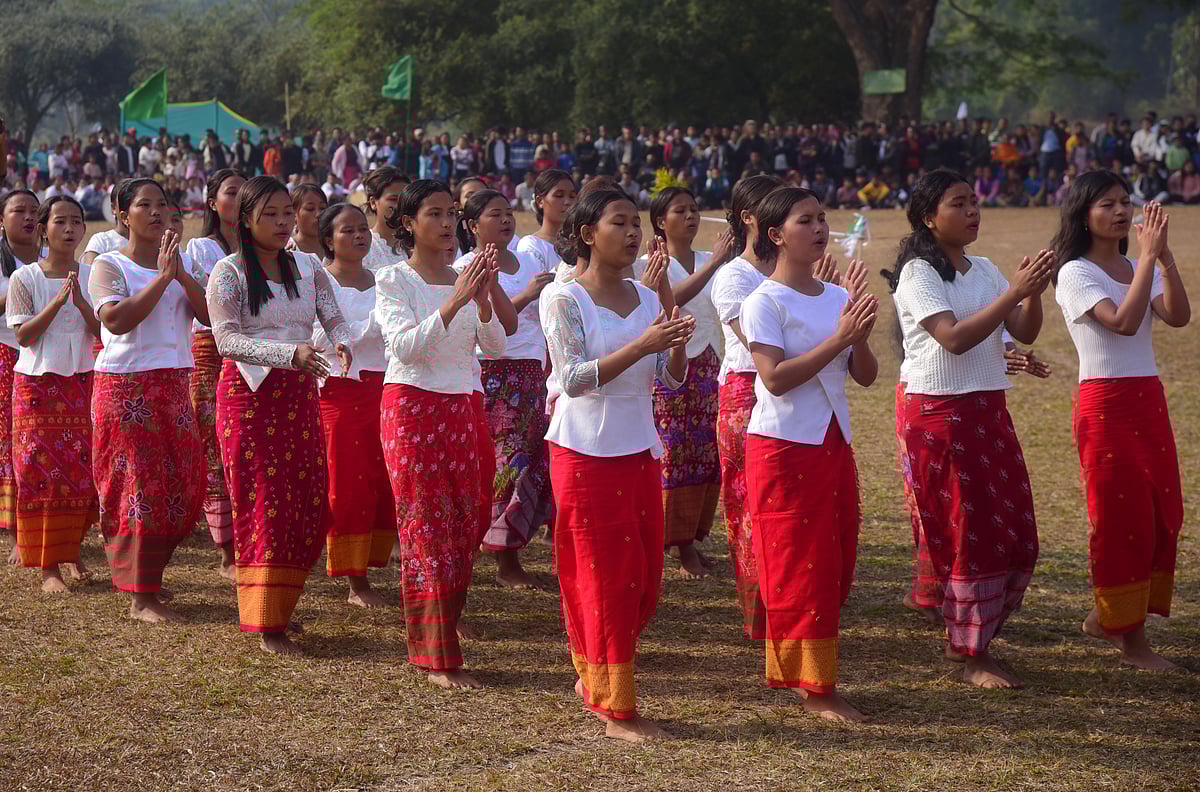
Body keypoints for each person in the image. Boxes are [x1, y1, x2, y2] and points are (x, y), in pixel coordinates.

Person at [887, 169, 1051, 688]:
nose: (973, 211)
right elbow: (953, 338)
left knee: (1013, 526)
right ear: (928, 218)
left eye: (974, 202)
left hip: (988, 409)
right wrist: (1014, 292)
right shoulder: (918, 273)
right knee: (967, 533)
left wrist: (1032, 293)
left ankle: (976, 632)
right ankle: (970, 653)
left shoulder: (984, 269)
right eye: (958, 204)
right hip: (941, 415)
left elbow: (1022, 328)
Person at [543, 185, 693, 742]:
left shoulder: (647, 298)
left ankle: (595, 673)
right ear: (588, 234)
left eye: (636, 224)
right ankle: (614, 707)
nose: (633, 233)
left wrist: (674, 339)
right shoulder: (563, 298)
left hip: (638, 447)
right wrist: (643, 345)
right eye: (620, 223)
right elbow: (573, 379)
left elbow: (670, 379)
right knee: (602, 579)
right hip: (585, 451)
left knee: (642, 577)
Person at [741, 187, 878, 722]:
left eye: (822, 218)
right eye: (806, 220)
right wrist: (839, 339)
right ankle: (815, 686)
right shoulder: (764, 301)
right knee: (801, 565)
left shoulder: (836, 296)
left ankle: (809, 670)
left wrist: (858, 336)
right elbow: (774, 379)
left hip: (831, 441)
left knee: (834, 556)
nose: (820, 228)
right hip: (783, 446)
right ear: (776, 235)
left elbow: (864, 375)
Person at [1049, 175, 1190, 671]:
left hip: (1147, 398)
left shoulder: (1137, 264)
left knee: (1162, 512)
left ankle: (1108, 616)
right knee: (1119, 519)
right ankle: (1133, 644)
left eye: (1125, 202)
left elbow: (1178, 316)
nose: (1121, 211)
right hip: (1105, 403)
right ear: (1083, 214)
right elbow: (1123, 322)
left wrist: (1163, 258)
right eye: (1107, 203)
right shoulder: (1074, 272)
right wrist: (1148, 260)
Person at [206, 176, 352, 654]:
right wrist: (289, 353)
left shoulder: (307, 265)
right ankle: (266, 622)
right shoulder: (228, 272)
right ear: (245, 219)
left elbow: (331, 313)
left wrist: (341, 340)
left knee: (304, 500)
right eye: (269, 213)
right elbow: (226, 340)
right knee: (264, 504)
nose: (283, 221)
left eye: (287, 211)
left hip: (299, 393)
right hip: (249, 399)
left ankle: (281, 606)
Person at [375, 180, 506, 689]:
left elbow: (494, 346)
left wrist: (483, 297)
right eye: (435, 214)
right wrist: (455, 301)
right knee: (426, 525)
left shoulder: (463, 277)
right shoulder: (393, 279)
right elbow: (405, 348)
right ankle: (435, 655)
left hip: (461, 405)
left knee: (465, 519)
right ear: (408, 224)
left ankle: (447, 623)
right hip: (412, 407)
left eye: (451, 213)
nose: (448, 223)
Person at [89, 178, 209, 623]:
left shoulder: (180, 263)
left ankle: (148, 576)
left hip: (174, 383)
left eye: (163, 203)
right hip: (126, 387)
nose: (157, 212)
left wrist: (179, 275)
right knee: (136, 489)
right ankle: (141, 596)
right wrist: (162, 278)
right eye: (145, 205)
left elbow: (210, 316)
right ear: (123, 216)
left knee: (180, 483)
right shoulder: (108, 264)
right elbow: (117, 321)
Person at [455, 189, 555, 587]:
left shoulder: (530, 260)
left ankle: (508, 543)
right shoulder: (465, 266)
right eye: (495, 214)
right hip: (491, 371)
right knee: (506, 464)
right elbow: (479, 323)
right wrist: (525, 293)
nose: (505, 220)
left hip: (531, 370)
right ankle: (503, 556)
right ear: (472, 225)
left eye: (508, 212)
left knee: (530, 459)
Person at [7, 195, 101, 592]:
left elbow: (104, 331)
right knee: (40, 472)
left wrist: (80, 303)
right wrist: (59, 302)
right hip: (37, 386)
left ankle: (73, 552)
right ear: (44, 229)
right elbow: (23, 335)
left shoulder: (93, 275)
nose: (69, 229)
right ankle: (48, 567)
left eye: (76, 221)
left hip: (82, 380)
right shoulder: (25, 278)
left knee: (81, 471)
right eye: (60, 221)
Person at [632, 187, 727, 578]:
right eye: (680, 211)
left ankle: (691, 537)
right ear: (660, 221)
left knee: (705, 451)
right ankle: (676, 542)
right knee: (675, 452)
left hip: (710, 363)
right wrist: (716, 262)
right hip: (672, 367)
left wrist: (717, 261)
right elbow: (667, 304)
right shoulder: (649, 264)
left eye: (694, 209)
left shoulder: (710, 259)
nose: (691, 216)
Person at [708, 174, 783, 637]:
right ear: (749, 218)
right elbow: (755, 341)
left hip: (790, 386)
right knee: (748, 499)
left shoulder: (795, 270)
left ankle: (791, 595)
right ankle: (763, 607)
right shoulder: (734, 276)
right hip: (746, 390)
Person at [311, 203, 394, 608]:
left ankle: (375, 561)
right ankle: (354, 580)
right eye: (348, 230)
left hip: (386, 387)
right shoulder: (317, 282)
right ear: (328, 239)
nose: (359, 236)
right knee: (347, 485)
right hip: (339, 390)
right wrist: (372, 325)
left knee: (383, 481)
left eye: (363, 228)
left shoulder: (386, 281)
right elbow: (318, 338)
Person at [184, 168, 245, 579]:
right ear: (212, 202)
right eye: (231, 192)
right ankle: (226, 549)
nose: (240, 199)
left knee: (246, 448)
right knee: (215, 448)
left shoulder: (266, 247)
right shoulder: (201, 249)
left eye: (245, 192)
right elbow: (206, 305)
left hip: (255, 352)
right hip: (211, 352)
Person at [0, 189, 41, 565]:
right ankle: (16, 530)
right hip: (5, 353)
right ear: (2, 220)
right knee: (9, 443)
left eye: (34, 210)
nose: (28, 216)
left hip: (42, 359)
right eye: (19, 211)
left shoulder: (52, 259)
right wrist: (21, 288)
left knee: (36, 443)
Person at [516, 169, 576, 272]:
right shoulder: (531, 245)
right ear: (540, 201)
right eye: (559, 195)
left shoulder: (578, 243)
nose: (568, 202)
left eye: (572, 196)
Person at [362, 166, 410, 271]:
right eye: (393, 199)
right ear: (373, 203)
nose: (400, 206)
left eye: (404, 200)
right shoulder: (364, 247)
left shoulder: (416, 245)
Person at [82, 187, 128, 265]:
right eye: (125, 203)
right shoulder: (102, 241)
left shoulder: (150, 243)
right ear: (113, 208)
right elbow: (90, 270)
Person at [289, 184, 328, 256]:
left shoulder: (337, 249)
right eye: (310, 209)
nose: (318, 214)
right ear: (294, 214)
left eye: (322, 208)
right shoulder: (285, 251)